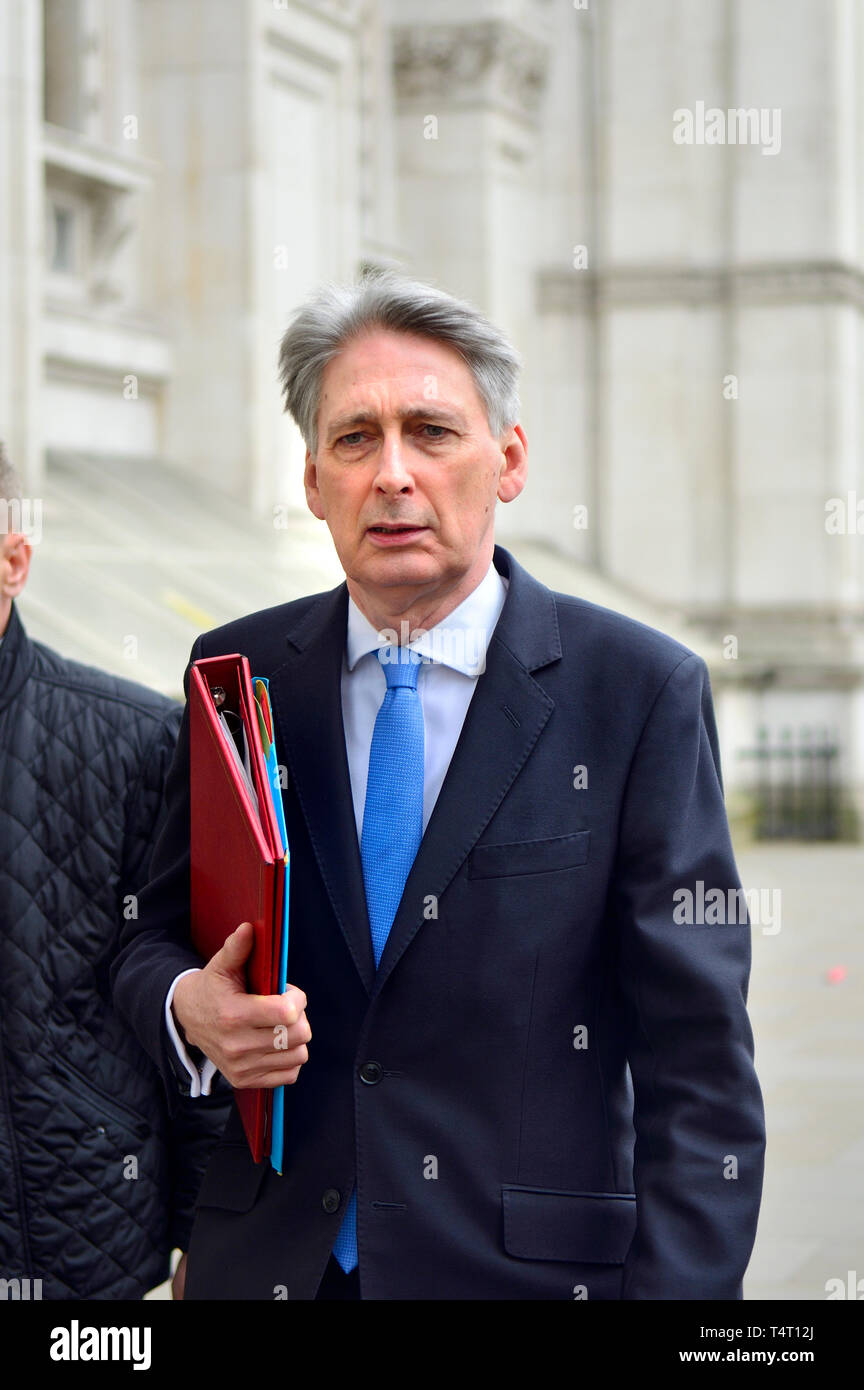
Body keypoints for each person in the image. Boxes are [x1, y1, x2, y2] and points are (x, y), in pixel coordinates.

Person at [111, 271, 765, 1300]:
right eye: (355, 439)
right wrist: (190, 1003)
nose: (394, 474)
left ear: (508, 460)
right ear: (314, 480)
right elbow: (148, 935)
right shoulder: (237, 674)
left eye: (432, 431)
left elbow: (702, 1066)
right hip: (271, 1264)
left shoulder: (638, 694)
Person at [0, 443, 230, 1299]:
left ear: (14, 560)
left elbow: (203, 1003)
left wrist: (206, 1229)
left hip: (90, 1259)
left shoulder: (137, 743)